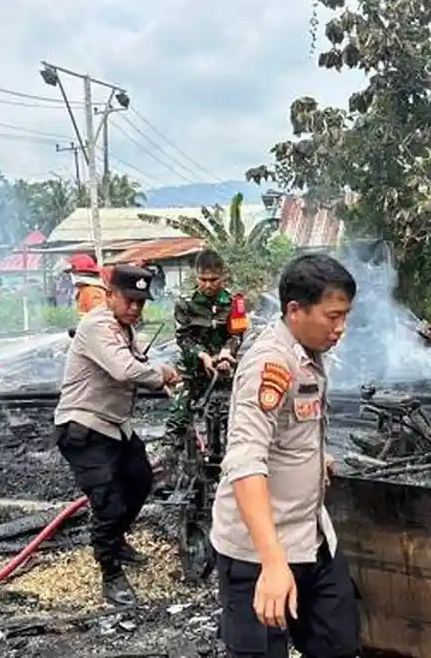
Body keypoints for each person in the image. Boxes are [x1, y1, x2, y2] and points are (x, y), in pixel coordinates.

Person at [210, 254, 361, 658]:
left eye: (344, 316)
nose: (340, 328)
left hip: (311, 538)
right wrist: (272, 564)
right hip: (260, 553)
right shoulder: (270, 364)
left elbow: (292, 430)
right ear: (295, 310)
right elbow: (244, 463)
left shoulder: (307, 354)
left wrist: (316, 458)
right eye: (332, 316)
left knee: (340, 645)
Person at [54, 264, 182, 606]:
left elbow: (138, 360)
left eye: (141, 302)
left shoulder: (124, 328)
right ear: (110, 295)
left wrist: (165, 373)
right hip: (83, 426)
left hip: (114, 427)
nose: (136, 308)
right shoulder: (98, 324)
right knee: (108, 501)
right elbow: (125, 369)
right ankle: (110, 573)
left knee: (140, 480)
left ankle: (117, 540)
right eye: (129, 300)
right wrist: (162, 374)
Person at [164, 249, 243, 442]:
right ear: (196, 276)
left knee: (242, 417)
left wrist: (226, 353)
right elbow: (183, 339)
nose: (208, 285)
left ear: (223, 276)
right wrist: (203, 356)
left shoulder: (236, 303)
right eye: (203, 279)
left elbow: (237, 335)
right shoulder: (185, 303)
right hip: (193, 369)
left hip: (225, 367)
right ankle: (171, 454)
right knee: (178, 417)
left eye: (214, 279)